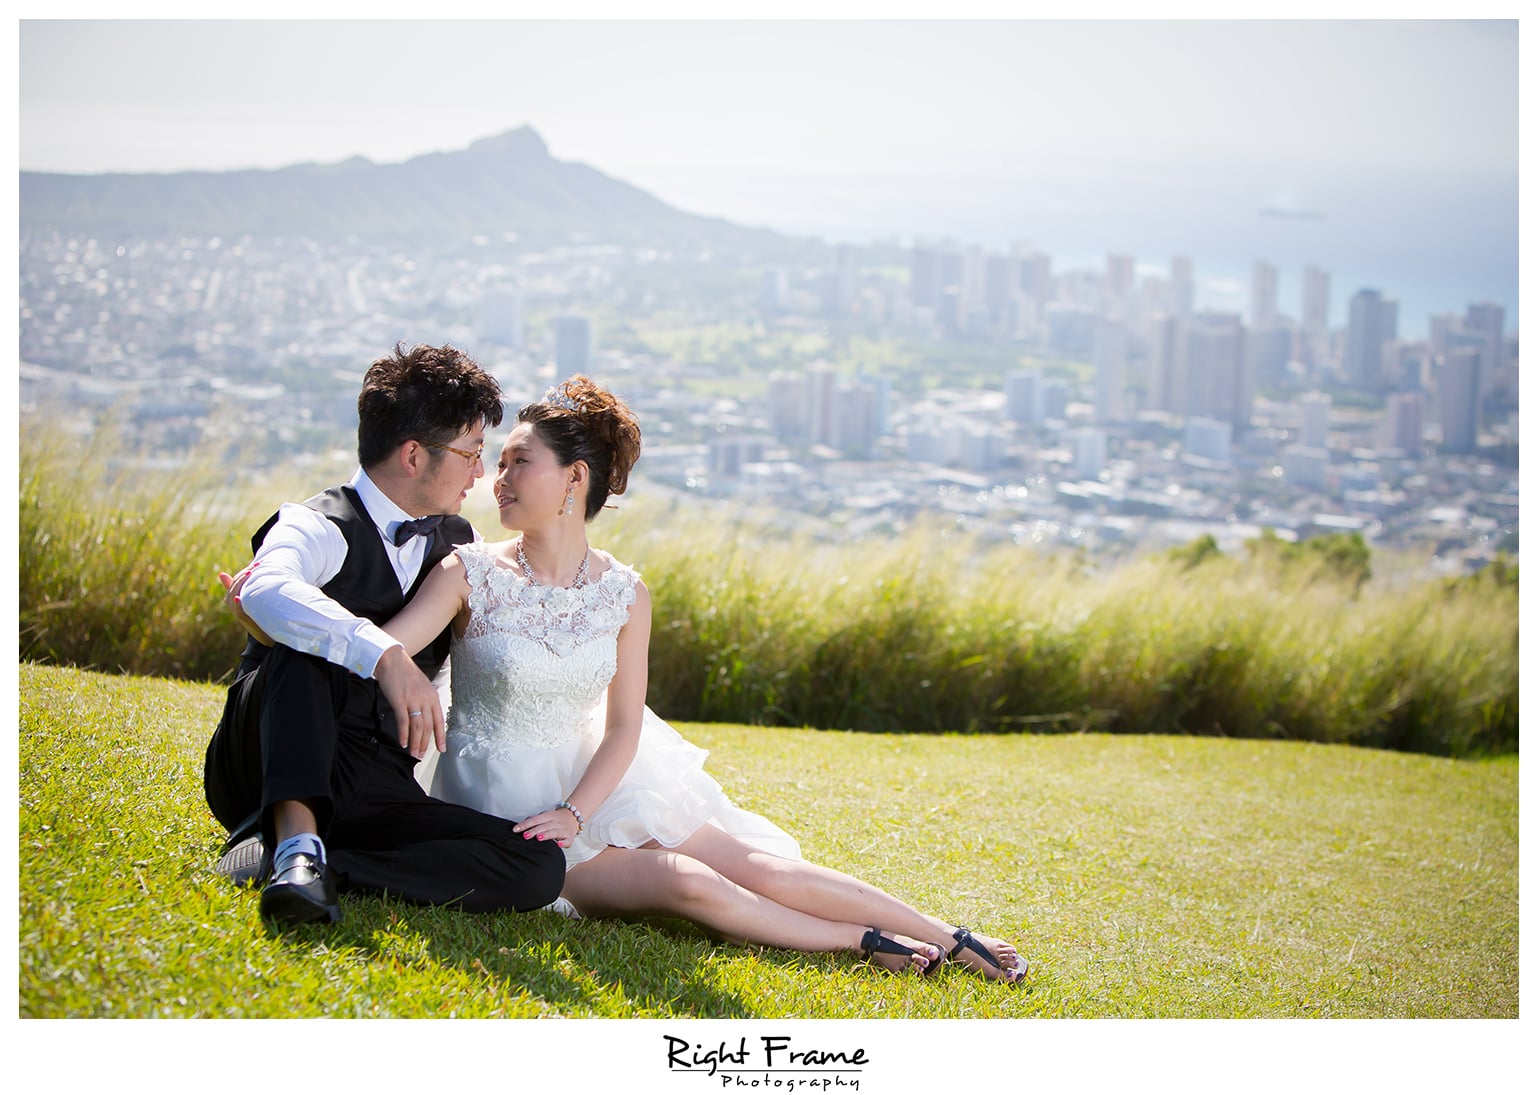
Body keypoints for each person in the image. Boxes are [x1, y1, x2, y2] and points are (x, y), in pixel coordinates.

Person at [383, 375, 1028, 981]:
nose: (497, 479)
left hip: (596, 788)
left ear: (575, 477)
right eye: (497, 463)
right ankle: (860, 940)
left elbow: (624, 727)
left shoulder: (624, 593)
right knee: (686, 882)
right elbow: (386, 647)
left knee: (755, 865)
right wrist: (395, 667)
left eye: (518, 462)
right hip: (506, 813)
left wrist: (577, 812)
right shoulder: (468, 572)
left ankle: (948, 935)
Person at [203, 343, 566, 928]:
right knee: (307, 642)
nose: (480, 474)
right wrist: (384, 654)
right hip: (273, 756)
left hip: (377, 783)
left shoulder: (461, 543)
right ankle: (295, 844)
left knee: (539, 865)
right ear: (414, 455)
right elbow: (265, 586)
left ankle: (323, 862)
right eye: (472, 453)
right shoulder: (316, 522)